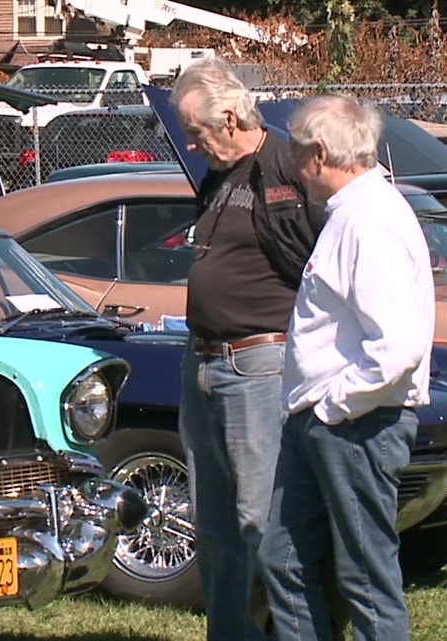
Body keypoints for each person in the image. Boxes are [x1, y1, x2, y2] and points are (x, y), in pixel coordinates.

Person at [259, 94, 435, 641]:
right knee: (282, 561)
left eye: (295, 152)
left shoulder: (371, 220)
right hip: (325, 420)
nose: (291, 165)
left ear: (318, 153)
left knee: (365, 579)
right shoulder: (352, 214)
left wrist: (334, 405)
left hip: (357, 424)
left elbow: (398, 345)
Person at [170, 57, 321, 641]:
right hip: (202, 362)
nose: (191, 142)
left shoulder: (287, 166)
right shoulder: (218, 174)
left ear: (231, 115)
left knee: (263, 520)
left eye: (197, 130)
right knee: (213, 524)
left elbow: (323, 261)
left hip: (258, 365)